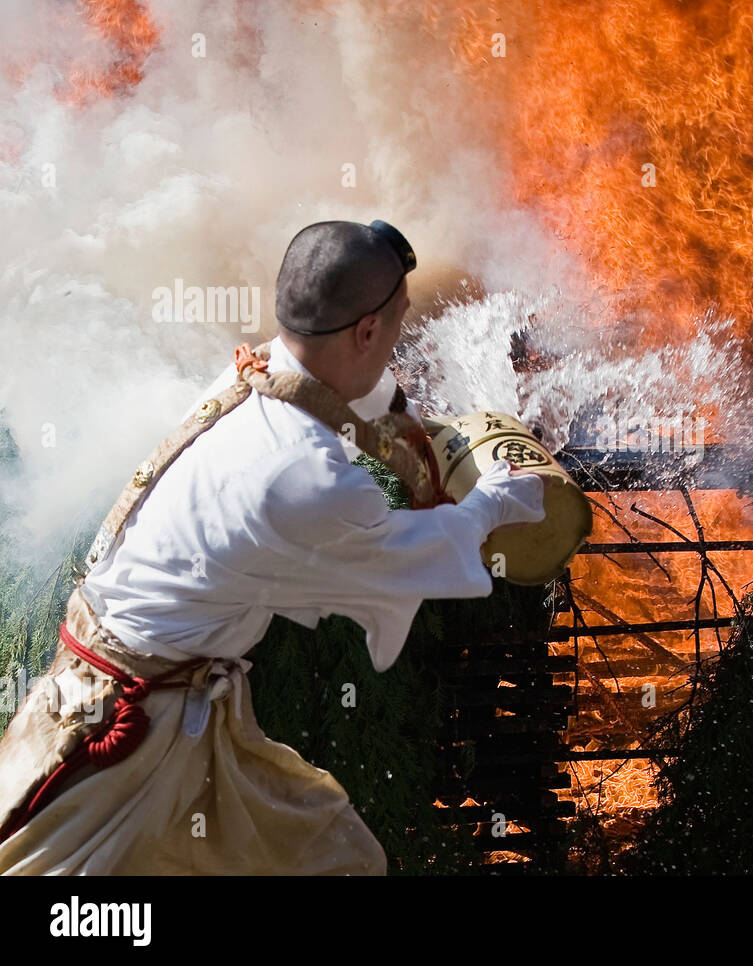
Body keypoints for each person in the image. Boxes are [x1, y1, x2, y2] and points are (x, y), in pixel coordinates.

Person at [0, 219, 546, 874]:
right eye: (396, 324)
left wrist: (407, 427)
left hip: (178, 708)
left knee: (336, 860)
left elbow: (334, 405)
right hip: (121, 735)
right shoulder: (303, 475)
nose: (399, 340)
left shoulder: (254, 374)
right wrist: (497, 502)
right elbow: (408, 557)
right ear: (366, 332)